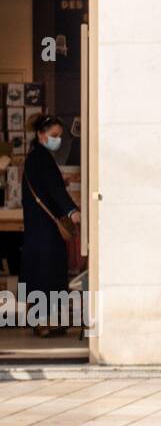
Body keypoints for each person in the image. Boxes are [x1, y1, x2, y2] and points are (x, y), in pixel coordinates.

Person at [21, 115, 80, 337]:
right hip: (46, 228)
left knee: (40, 272)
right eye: (53, 136)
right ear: (41, 134)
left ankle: (41, 320)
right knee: (48, 272)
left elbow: (48, 187)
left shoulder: (35, 157)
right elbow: (55, 191)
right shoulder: (42, 158)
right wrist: (71, 211)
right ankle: (45, 322)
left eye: (59, 137)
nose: (57, 140)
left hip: (37, 226)